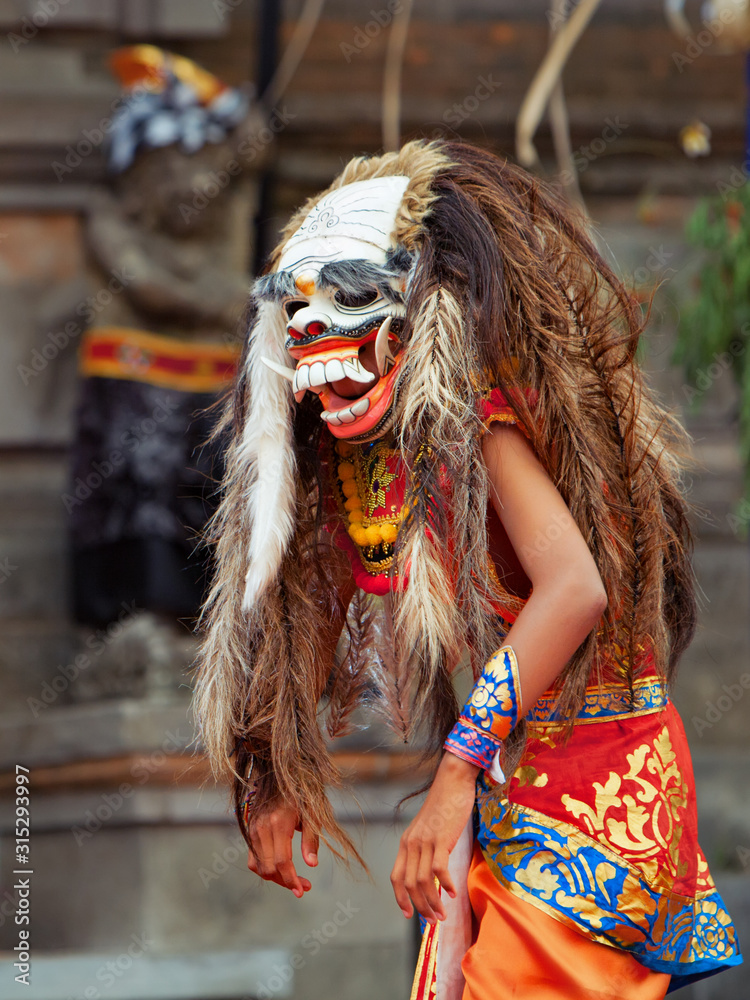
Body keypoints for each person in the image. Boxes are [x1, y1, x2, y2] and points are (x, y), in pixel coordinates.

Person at [192, 139, 742, 998]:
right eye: (296, 314)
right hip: (503, 789)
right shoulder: (357, 455)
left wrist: (454, 776)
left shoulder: (479, 427)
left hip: (602, 784)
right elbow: (321, 605)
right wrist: (271, 772)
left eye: (347, 303)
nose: (314, 338)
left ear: (412, 320)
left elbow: (576, 590)